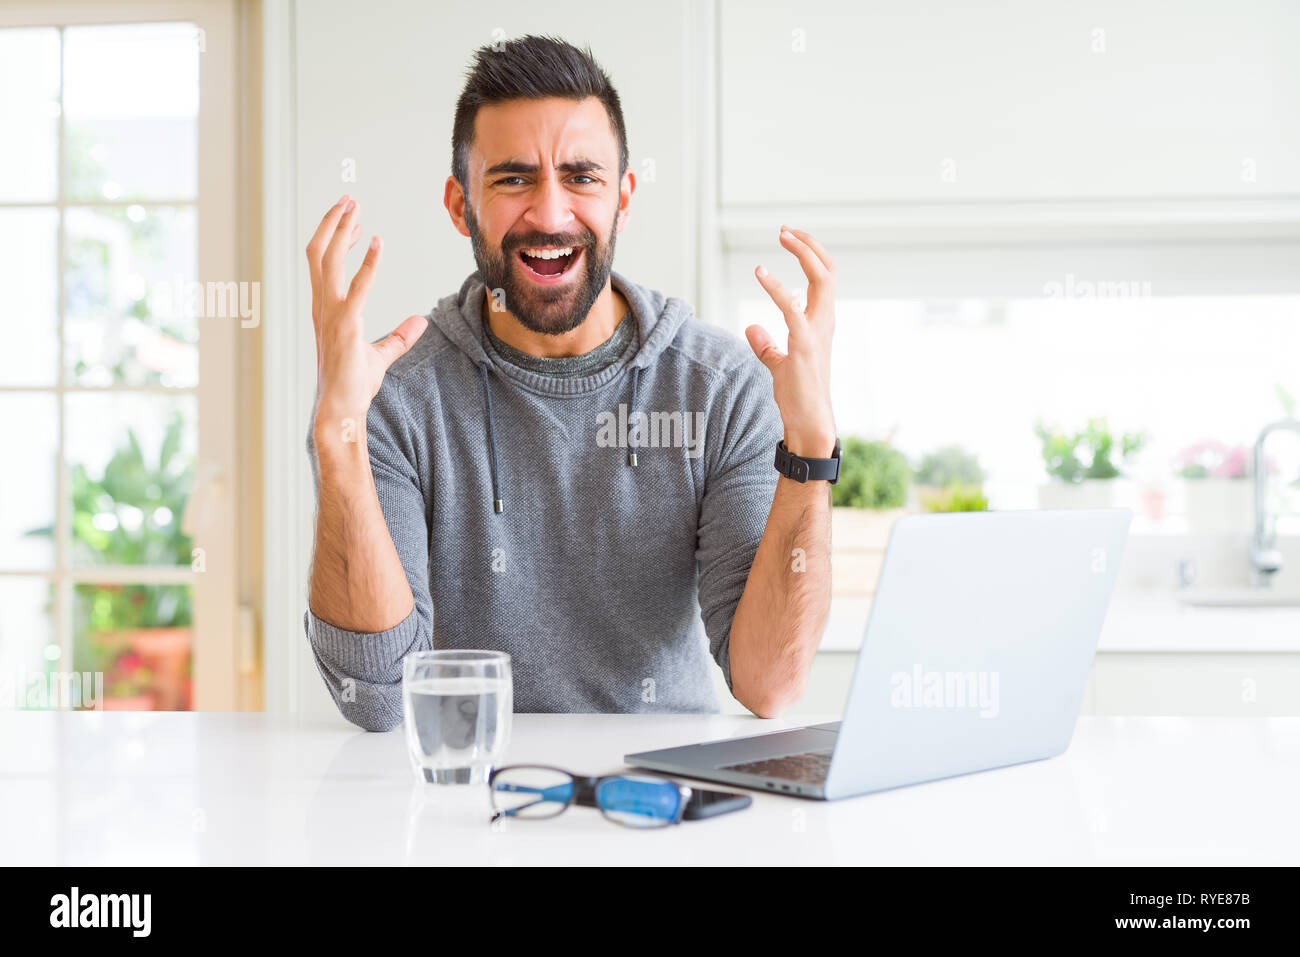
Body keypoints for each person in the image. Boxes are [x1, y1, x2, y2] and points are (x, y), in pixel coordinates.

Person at [304, 35, 839, 731]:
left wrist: (810, 445)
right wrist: (337, 436)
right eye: (513, 179)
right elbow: (376, 698)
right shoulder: (396, 398)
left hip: (663, 807)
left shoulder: (721, 385)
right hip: (468, 810)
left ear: (623, 195)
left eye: (581, 177)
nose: (551, 215)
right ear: (461, 204)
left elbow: (770, 684)